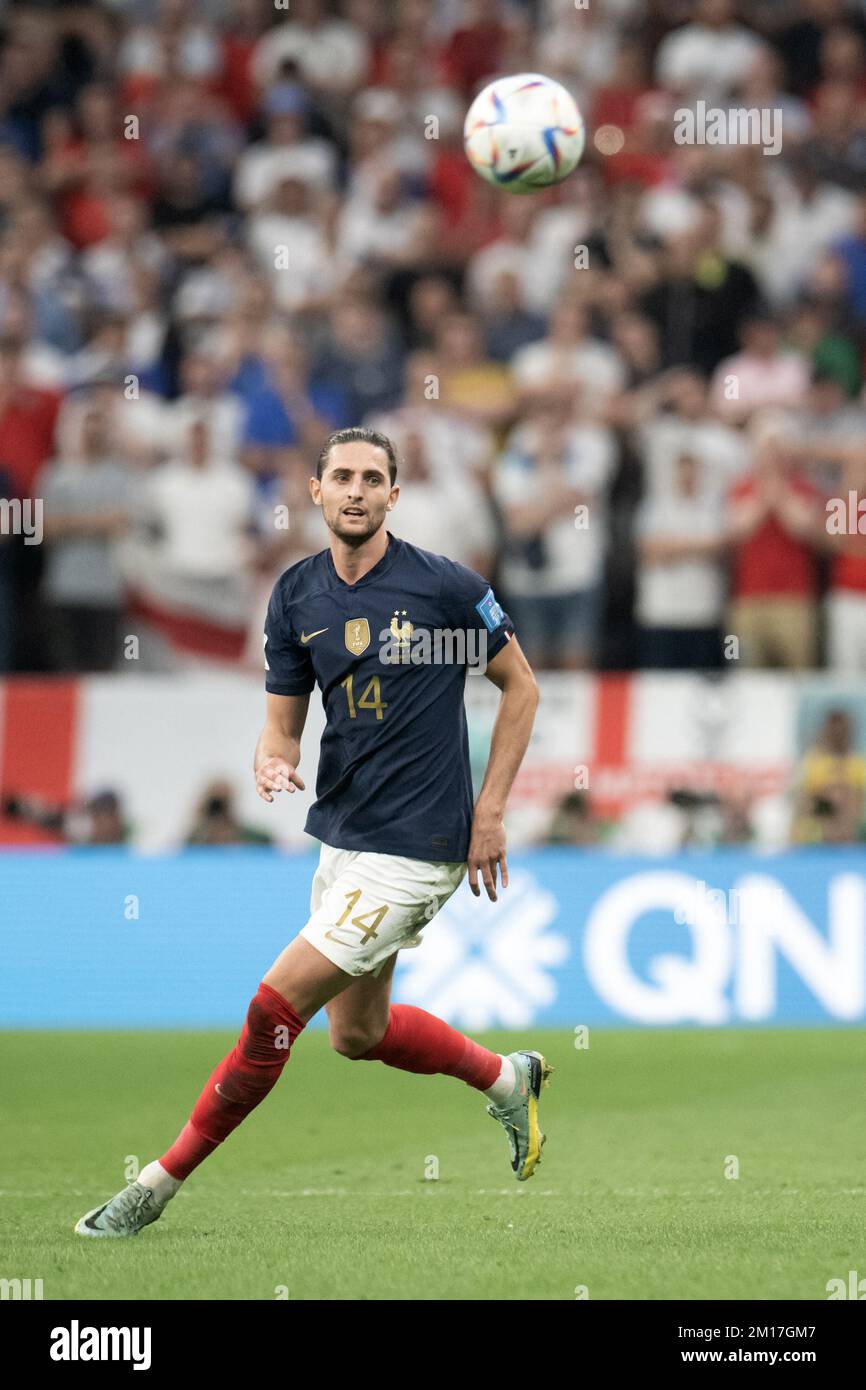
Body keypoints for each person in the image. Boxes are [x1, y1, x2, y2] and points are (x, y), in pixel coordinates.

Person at [75, 426, 547, 1239]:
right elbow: (283, 727)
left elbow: (522, 688)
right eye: (343, 477)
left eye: (372, 478)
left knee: (272, 1009)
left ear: (394, 494)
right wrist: (271, 759)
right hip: (344, 837)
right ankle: (508, 1080)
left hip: (418, 848)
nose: (357, 491)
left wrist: (492, 812)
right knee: (357, 1035)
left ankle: (154, 1186)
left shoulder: (444, 589)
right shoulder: (296, 596)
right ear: (316, 492)